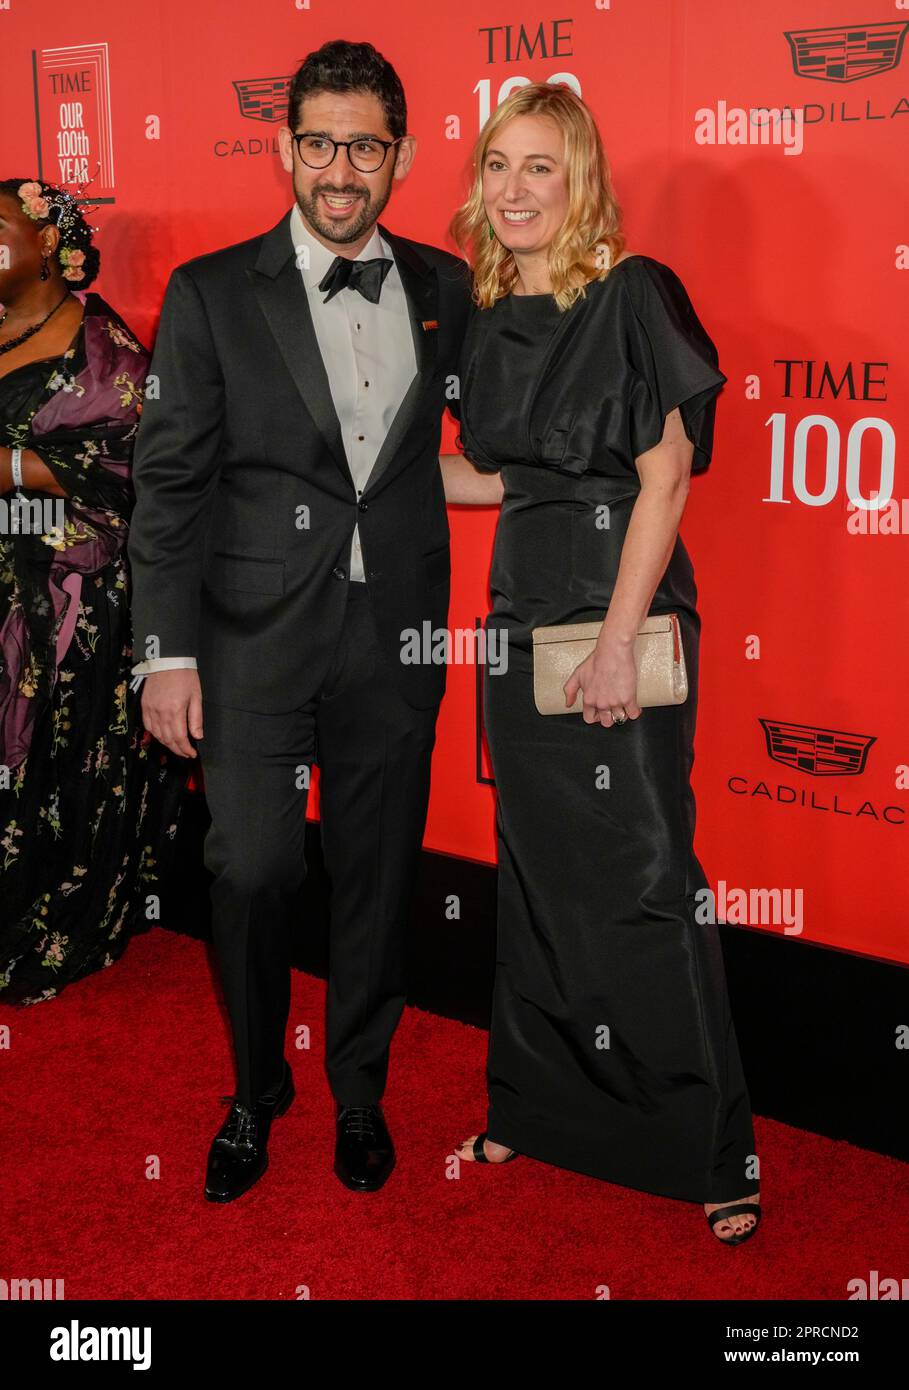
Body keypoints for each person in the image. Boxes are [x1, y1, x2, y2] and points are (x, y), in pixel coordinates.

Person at [127, 40, 474, 1203]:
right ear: (284, 148)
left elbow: (443, 457)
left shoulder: (444, 286)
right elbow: (169, 487)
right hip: (247, 637)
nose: (340, 169)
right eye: (318, 142)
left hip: (396, 636)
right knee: (255, 868)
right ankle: (255, 1089)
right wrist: (164, 654)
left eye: (364, 146)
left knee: (378, 875)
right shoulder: (212, 292)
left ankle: (362, 1091)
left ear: (401, 157)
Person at [440, 84, 762, 1245]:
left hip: (614, 623)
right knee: (533, 873)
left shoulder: (632, 292)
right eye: (499, 166)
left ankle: (710, 1146)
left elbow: (663, 475)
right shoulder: (483, 312)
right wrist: (354, 479)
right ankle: (537, 1107)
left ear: (581, 183)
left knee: (644, 874)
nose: (516, 190)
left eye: (542, 168)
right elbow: (504, 477)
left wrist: (622, 639)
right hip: (520, 620)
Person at [0, 178, 186, 1006]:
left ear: (51, 246)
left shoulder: (106, 354)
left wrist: (5, 469)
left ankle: (41, 916)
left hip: (69, 584)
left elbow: (131, 476)